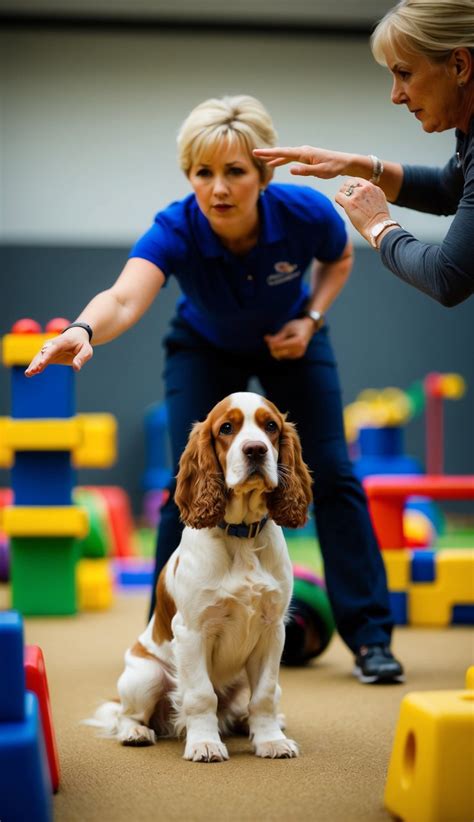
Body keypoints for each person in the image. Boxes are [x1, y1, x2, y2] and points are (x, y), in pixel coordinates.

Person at [26, 94, 404, 684]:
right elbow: (125, 297)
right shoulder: (176, 227)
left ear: (263, 176)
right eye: (204, 173)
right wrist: (81, 328)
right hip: (203, 349)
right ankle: (166, 639)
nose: (218, 188)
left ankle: (372, 639)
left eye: (235, 172)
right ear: (189, 177)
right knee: (192, 477)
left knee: (331, 470)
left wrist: (313, 318)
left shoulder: (305, 213)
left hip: (291, 344)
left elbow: (337, 262)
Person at [254, 0, 474, 307]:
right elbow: (445, 190)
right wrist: (354, 164)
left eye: (405, 73)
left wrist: (377, 224)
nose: (396, 95)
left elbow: (447, 277)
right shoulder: (468, 131)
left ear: (460, 66)